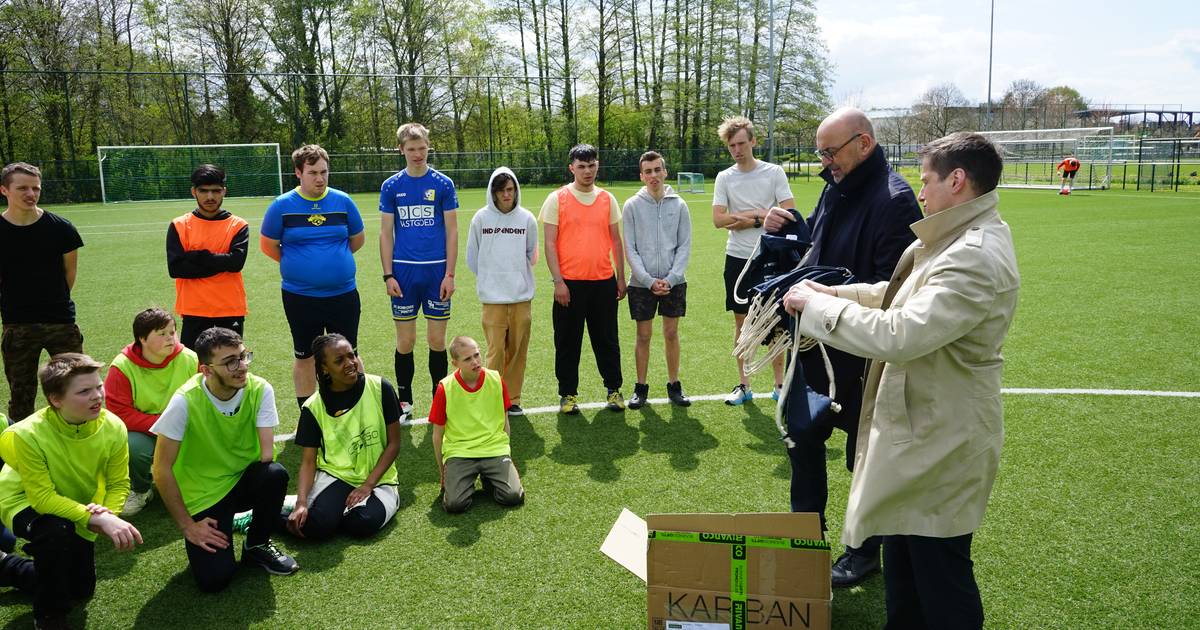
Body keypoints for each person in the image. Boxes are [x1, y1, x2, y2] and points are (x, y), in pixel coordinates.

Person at [782, 132, 1019, 628]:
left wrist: (818, 307)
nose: (920, 188)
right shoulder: (953, 236)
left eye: (927, 178)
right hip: (921, 434)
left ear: (957, 180)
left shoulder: (971, 252)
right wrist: (834, 292)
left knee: (940, 577)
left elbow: (901, 333)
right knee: (906, 577)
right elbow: (896, 295)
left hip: (941, 439)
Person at [764, 107, 922, 587]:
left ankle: (864, 549)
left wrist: (826, 297)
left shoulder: (895, 200)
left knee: (865, 454)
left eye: (830, 152)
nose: (824, 161)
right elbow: (816, 248)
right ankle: (805, 538)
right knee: (800, 436)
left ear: (863, 144)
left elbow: (891, 290)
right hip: (815, 344)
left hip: (862, 355)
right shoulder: (839, 185)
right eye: (822, 152)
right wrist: (787, 230)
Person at [0, 353, 142, 628]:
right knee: (54, 530)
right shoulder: (28, 434)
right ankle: (48, 616)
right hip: (23, 500)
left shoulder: (113, 427)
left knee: (79, 590)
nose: (97, 396)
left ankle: (5, 567)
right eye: (84, 391)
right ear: (56, 399)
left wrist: (108, 513)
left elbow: (119, 483)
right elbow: (41, 498)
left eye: (98, 386)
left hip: (77, 505)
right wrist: (94, 518)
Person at [152, 327, 298, 592]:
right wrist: (188, 526)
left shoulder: (260, 388)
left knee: (275, 474)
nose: (242, 366)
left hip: (242, 481)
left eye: (243, 356)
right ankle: (232, 522)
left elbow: (266, 457)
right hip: (205, 495)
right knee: (214, 580)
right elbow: (161, 469)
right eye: (231, 362)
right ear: (206, 370)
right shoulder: (184, 401)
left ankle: (256, 543)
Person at [261, 145, 366, 410]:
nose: (320, 178)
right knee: (306, 356)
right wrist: (300, 268)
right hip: (300, 297)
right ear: (298, 173)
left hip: (343, 294)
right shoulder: (282, 206)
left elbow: (357, 239)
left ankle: (355, 409)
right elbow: (269, 245)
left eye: (324, 172)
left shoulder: (343, 201)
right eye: (312, 173)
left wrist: (332, 262)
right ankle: (309, 416)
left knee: (349, 354)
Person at [711, 117, 793, 406]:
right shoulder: (725, 178)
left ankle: (779, 385)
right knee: (741, 322)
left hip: (771, 258)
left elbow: (789, 215)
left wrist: (749, 218)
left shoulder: (774, 173)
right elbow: (718, 220)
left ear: (754, 142)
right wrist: (759, 217)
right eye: (732, 145)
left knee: (776, 321)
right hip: (737, 258)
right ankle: (743, 385)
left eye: (742, 143)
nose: (737, 149)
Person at [379, 123, 459, 418]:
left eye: (422, 148)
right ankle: (405, 401)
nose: (417, 154)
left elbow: (452, 230)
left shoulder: (443, 184)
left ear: (428, 146)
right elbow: (386, 233)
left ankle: (439, 401)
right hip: (404, 273)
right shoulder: (391, 186)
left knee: (437, 341)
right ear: (401, 150)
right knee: (406, 341)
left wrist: (450, 274)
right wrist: (388, 275)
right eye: (411, 149)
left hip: (437, 272)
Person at [287, 334, 401, 540]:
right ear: (324, 368)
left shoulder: (380, 387)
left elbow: (394, 444)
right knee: (314, 527)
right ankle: (272, 513)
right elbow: (308, 462)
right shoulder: (313, 407)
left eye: (352, 356)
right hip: (336, 476)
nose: (350, 363)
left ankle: (325, 510)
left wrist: (367, 485)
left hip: (380, 480)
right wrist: (302, 503)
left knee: (363, 523)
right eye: (339, 361)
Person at [541, 144, 626, 414]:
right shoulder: (557, 198)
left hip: (604, 282)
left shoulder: (607, 199)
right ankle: (567, 394)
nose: (587, 171)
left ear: (597, 165)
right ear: (572, 168)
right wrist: (558, 282)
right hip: (570, 284)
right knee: (567, 342)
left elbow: (615, 240)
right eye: (581, 166)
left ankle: (614, 390)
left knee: (608, 340)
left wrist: (621, 277)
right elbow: (549, 244)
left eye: (591, 165)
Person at [0, 162, 85, 422]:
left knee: (76, 387)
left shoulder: (61, 228)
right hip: (17, 324)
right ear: (4, 190)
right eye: (22, 188)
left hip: (60, 321)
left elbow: (68, 275)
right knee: (22, 393)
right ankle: (21, 448)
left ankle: (77, 438)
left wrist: (52, 302)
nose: (31, 194)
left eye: (35, 188)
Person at [103, 308, 199, 516]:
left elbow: (207, 398)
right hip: (148, 432)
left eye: (172, 332)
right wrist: (166, 426)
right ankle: (141, 489)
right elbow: (120, 414)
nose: (170, 338)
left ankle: (199, 481)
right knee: (130, 444)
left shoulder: (190, 359)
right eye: (161, 334)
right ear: (142, 339)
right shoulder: (122, 367)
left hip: (187, 428)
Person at [621, 151, 692, 409]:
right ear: (642, 176)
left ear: (665, 172)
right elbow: (631, 249)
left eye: (657, 170)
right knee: (643, 335)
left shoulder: (680, 204)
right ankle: (640, 388)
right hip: (642, 284)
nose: (653, 175)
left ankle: (674, 385)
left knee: (671, 333)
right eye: (648, 171)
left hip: (674, 282)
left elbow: (684, 246)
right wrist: (649, 280)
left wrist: (671, 279)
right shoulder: (631, 206)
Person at [465, 167, 538, 416]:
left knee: (517, 352)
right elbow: (472, 258)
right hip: (493, 299)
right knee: (495, 351)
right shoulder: (480, 219)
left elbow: (531, 254)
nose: (507, 195)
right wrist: (491, 278)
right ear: (493, 193)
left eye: (510, 189)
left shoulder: (527, 219)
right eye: (501, 190)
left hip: (521, 298)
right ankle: (492, 397)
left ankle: (513, 399)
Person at [429, 336, 524, 513]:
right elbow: (437, 435)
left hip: (494, 449)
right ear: (455, 363)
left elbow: (505, 422)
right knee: (454, 505)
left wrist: (505, 450)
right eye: (468, 359)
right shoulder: (445, 388)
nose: (475, 362)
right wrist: (443, 470)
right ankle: (468, 481)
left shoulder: (495, 379)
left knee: (513, 496)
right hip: (460, 452)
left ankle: (491, 477)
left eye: (477, 355)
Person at [167, 164, 250, 348]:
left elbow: (236, 263)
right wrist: (221, 262)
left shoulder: (238, 225)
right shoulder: (179, 225)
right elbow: (176, 268)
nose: (210, 197)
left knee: (231, 364)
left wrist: (198, 255)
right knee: (194, 365)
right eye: (203, 191)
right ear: (193, 191)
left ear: (224, 191)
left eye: (215, 191)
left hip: (230, 308)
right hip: (194, 309)